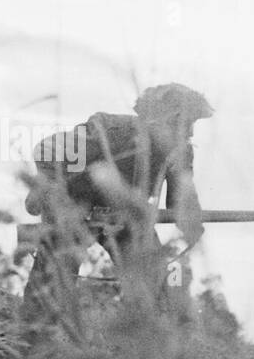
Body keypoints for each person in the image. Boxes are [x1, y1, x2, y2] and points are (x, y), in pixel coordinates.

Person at [20, 82, 213, 329]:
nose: (191, 134)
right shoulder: (109, 131)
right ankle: (29, 345)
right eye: (188, 124)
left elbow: (179, 203)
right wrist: (48, 191)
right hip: (74, 210)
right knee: (51, 285)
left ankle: (150, 349)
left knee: (154, 283)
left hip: (126, 218)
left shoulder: (180, 153)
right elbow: (47, 151)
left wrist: (191, 223)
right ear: (167, 120)